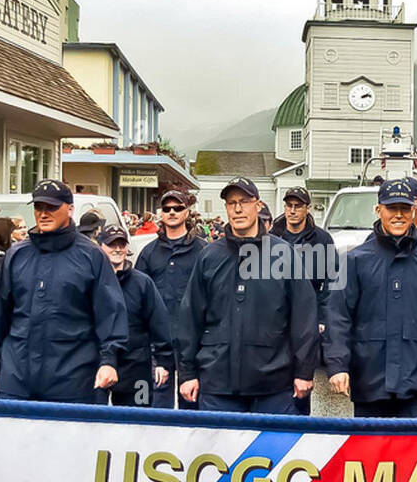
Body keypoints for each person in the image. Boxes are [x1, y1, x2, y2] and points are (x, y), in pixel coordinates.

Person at [175, 176, 319, 414]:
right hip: (218, 384)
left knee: (274, 451)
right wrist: (188, 372)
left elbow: (304, 317)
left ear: (258, 205)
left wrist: (304, 372)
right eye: (232, 203)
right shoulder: (209, 257)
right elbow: (190, 318)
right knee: (219, 451)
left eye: (244, 201)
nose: (238, 208)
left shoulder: (284, 254)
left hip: (274, 384)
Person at [0, 180, 126, 403]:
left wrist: (108, 361)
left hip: (74, 381)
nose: (43, 214)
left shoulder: (91, 256)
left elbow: (110, 312)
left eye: (51, 207)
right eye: (38, 207)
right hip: (17, 379)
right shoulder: (16, 255)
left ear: (70, 209)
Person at [323, 178, 417, 417]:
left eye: (405, 208)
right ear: (378, 210)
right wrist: (337, 365)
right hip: (371, 383)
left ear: (414, 211)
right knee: (371, 455)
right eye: (391, 208)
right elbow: (338, 317)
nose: (398, 215)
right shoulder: (356, 261)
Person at [135, 190, 207, 409]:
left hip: (194, 342)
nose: (172, 212)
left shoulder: (204, 250)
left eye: (177, 208)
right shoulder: (148, 253)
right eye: (167, 209)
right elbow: (137, 297)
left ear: (187, 212)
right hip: (158, 344)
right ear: (161, 214)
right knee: (156, 410)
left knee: (193, 412)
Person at [270, 186, 337, 415]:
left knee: (303, 374)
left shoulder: (322, 239)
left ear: (307, 208)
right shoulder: (272, 236)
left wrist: (321, 316)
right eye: (289, 205)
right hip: (277, 315)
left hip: (308, 315)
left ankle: (301, 423)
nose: (293, 210)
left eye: (298, 206)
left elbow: (332, 279)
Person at [98, 223, 172, 407]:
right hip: (99, 367)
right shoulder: (92, 281)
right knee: (95, 427)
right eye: (111, 244)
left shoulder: (142, 283)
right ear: (100, 247)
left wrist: (163, 362)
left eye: (121, 244)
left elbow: (159, 323)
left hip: (137, 370)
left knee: (140, 424)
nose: (117, 249)